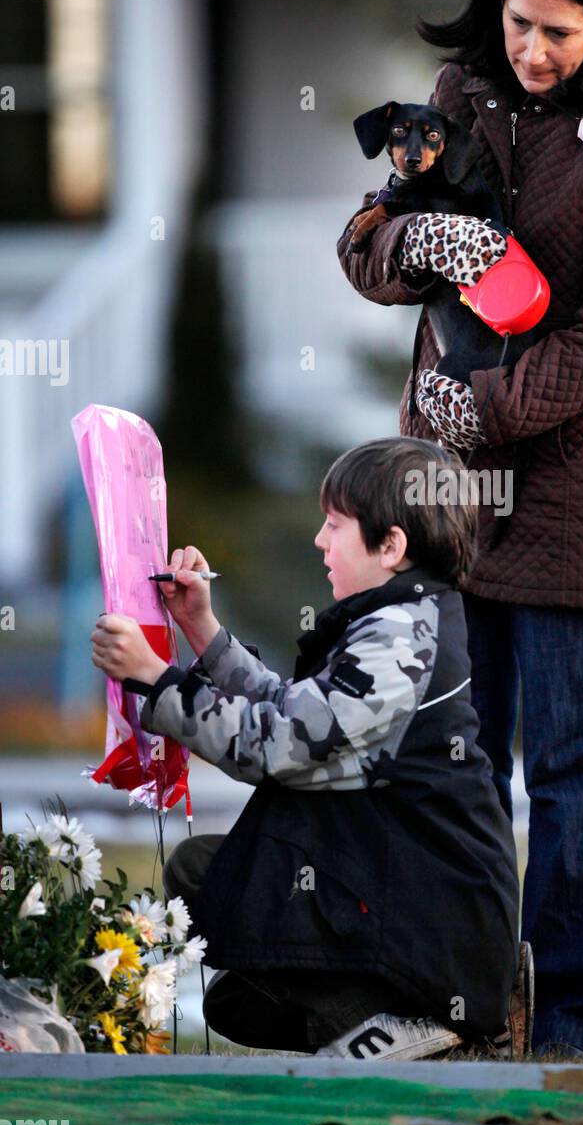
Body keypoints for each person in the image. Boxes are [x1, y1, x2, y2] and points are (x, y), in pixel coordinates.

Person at [336, 0, 583, 1056]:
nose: (532, 51)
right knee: (449, 767)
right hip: (452, 512)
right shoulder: (464, 98)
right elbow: (370, 240)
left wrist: (479, 408)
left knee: (579, 778)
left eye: (560, 32)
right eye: (517, 22)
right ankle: (465, 1007)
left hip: (582, 507)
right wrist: (414, 246)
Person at [90, 436, 523, 1061]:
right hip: (419, 902)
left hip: (434, 918)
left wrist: (157, 681)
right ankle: (405, 1015)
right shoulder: (405, 617)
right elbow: (297, 711)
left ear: (391, 546)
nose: (320, 540)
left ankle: (424, 1020)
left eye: (335, 525)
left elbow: (281, 746)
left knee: (207, 881)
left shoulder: (402, 641)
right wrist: (203, 632)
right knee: (233, 982)